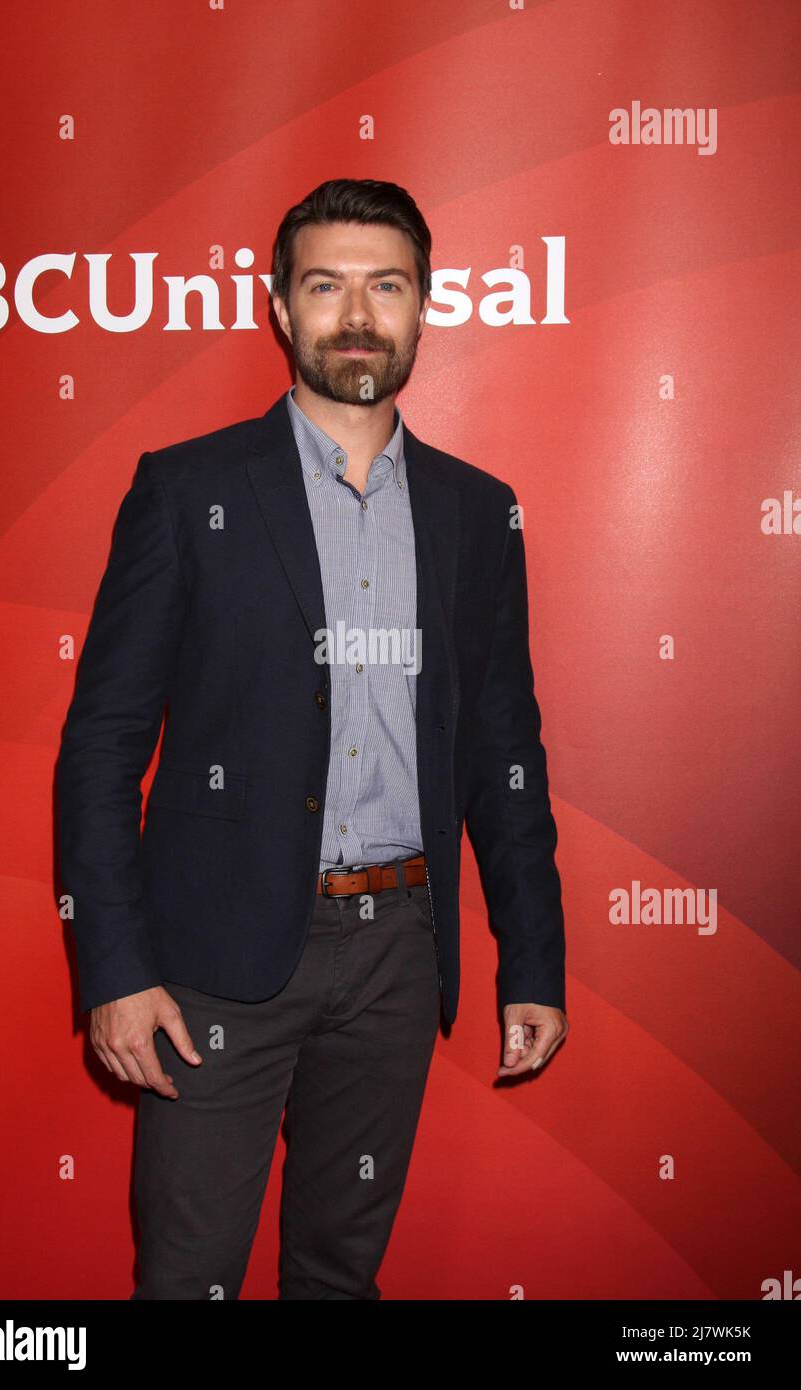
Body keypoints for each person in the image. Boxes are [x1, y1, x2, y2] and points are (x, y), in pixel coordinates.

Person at [55, 177, 568, 1300]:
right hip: (213, 968)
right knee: (189, 1275)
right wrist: (116, 968)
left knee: (339, 1271)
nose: (355, 313)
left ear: (423, 306)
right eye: (325, 284)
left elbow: (502, 750)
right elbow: (101, 742)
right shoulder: (188, 491)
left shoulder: (479, 512)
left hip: (397, 951)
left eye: (384, 286)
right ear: (281, 309)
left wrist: (531, 960)